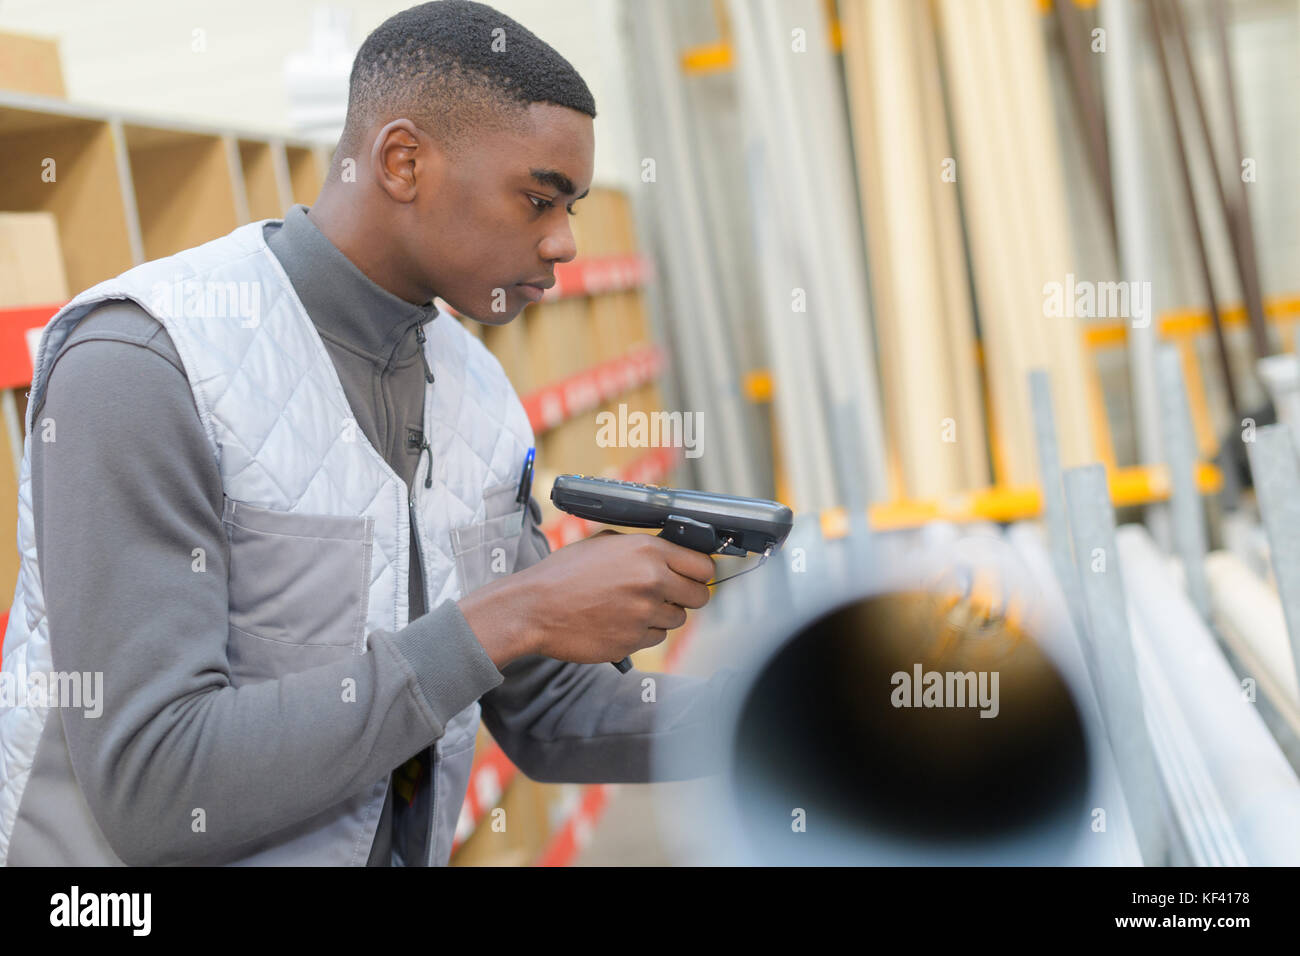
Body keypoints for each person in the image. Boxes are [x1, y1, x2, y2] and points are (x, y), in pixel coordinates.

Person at [0, 0, 738, 867]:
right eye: (539, 198)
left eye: (571, 205)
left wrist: (789, 711)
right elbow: (157, 784)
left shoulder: (478, 390)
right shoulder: (146, 361)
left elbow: (547, 712)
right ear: (402, 161)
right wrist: (518, 612)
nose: (567, 241)